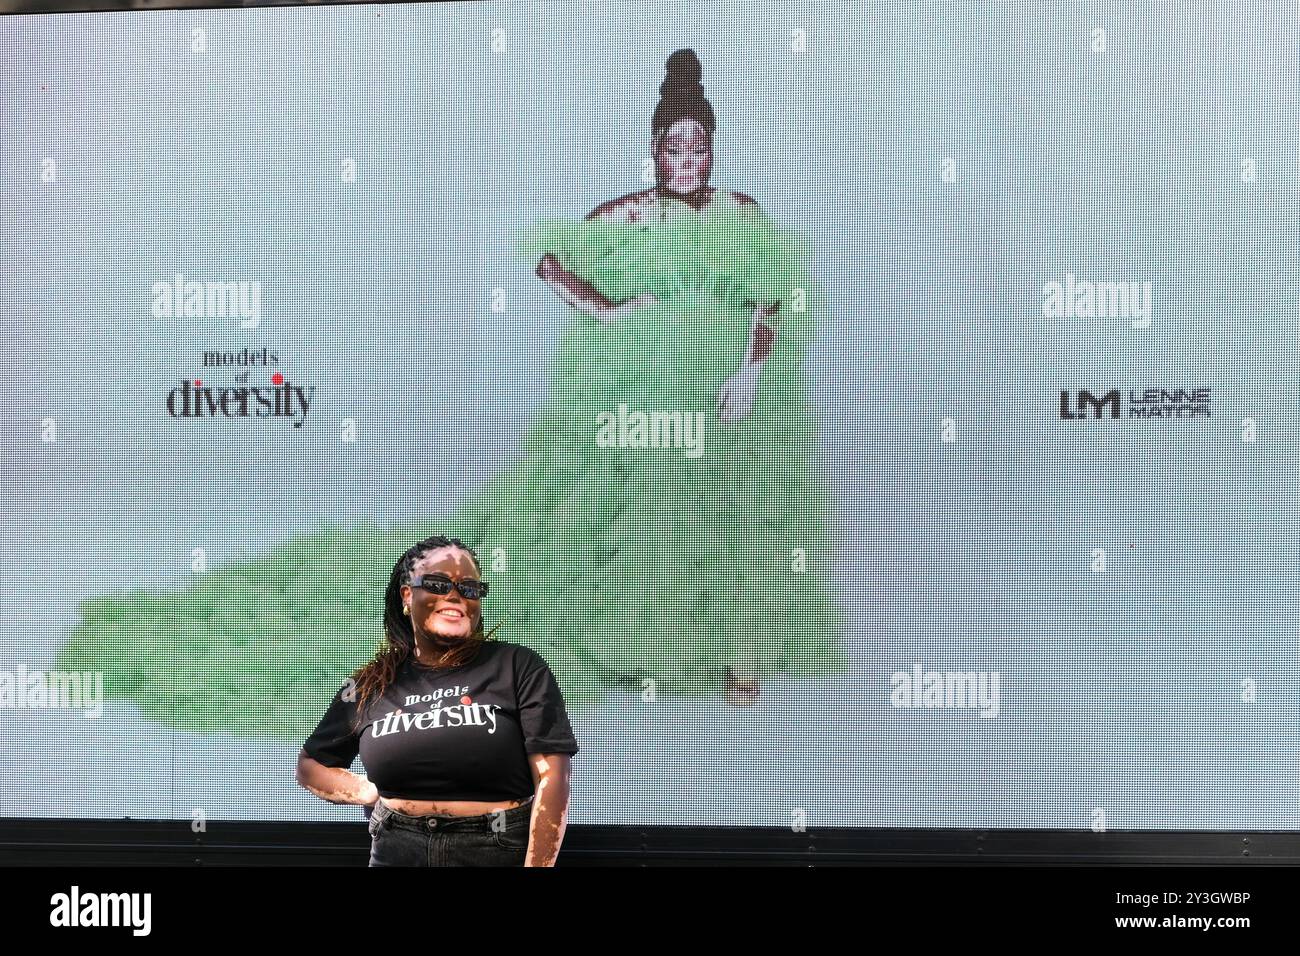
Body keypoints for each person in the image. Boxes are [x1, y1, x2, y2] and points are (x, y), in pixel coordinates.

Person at [295, 534, 578, 866]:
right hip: (396, 847)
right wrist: (365, 791)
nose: (456, 596)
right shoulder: (372, 682)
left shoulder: (518, 666)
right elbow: (311, 765)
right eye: (438, 584)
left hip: (494, 846)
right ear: (406, 595)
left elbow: (552, 777)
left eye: (469, 589)